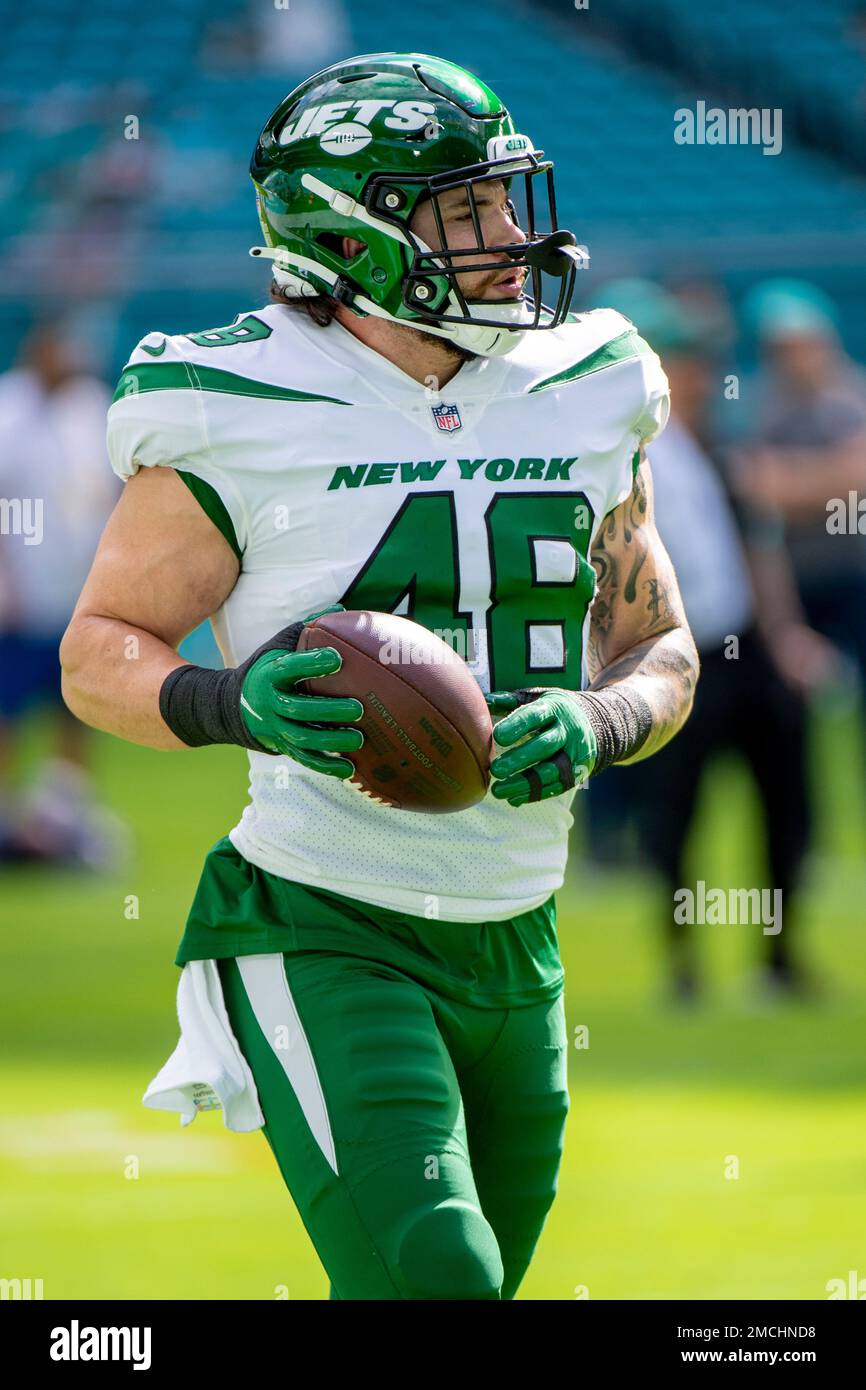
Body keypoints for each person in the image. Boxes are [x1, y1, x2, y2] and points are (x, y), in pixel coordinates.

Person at [60, 53, 698, 1300]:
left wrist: (600, 712)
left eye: (505, 201)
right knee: (436, 1278)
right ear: (351, 230)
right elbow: (99, 650)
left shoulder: (586, 383)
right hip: (324, 920)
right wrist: (222, 701)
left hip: (519, 936)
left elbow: (659, 644)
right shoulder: (230, 399)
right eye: (465, 209)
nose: (509, 237)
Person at [586, 282, 826, 1001]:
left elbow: (757, 547)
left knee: (788, 803)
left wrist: (785, 638)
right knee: (675, 811)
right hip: (677, 654)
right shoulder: (624, 454)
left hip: (745, 645)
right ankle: (683, 965)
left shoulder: (717, 448)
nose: (695, 376)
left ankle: (781, 960)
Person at [0, 323, 123, 866]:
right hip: (18, 598)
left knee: (75, 707)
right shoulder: (9, 410)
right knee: (9, 708)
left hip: (76, 594)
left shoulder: (89, 407)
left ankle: (66, 814)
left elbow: (107, 490)